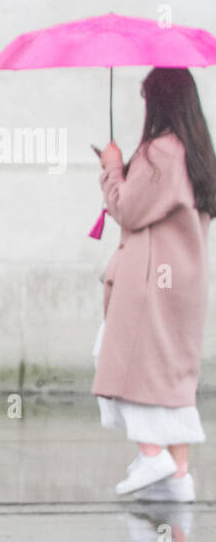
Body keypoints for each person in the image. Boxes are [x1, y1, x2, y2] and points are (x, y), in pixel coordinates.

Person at [93, 68, 216, 501]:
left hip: (150, 279)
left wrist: (112, 168)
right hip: (183, 280)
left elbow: (128, 209)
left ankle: (152, 454)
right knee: (171, 375)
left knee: (122, 360)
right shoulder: (197, 150)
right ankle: (178, 474)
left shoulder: (161, 152)